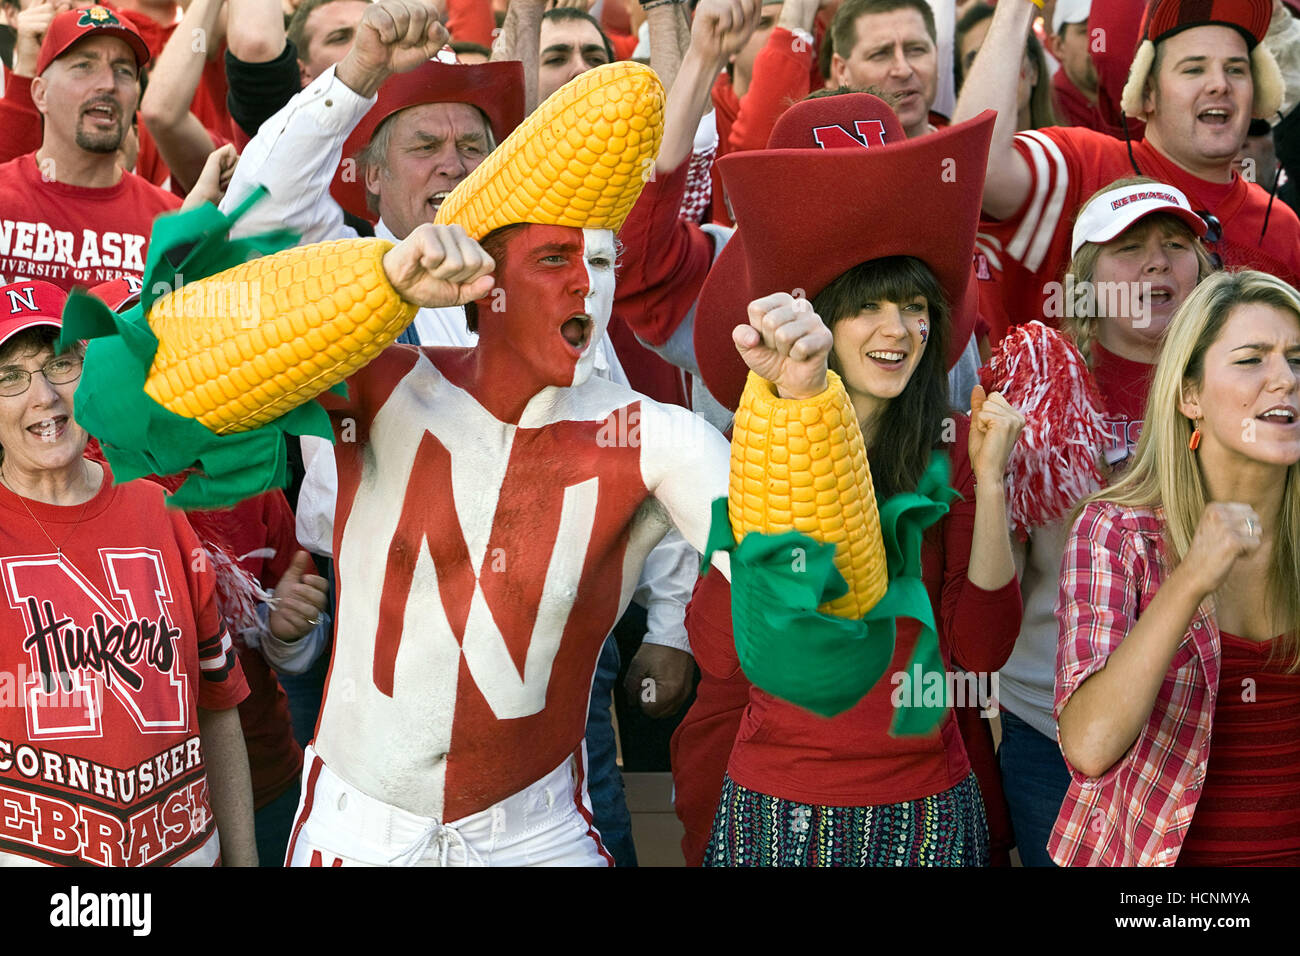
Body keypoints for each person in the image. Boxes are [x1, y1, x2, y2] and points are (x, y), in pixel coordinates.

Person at [73, 51, 879, 865]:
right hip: (356, 829)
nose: (585, 290)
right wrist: (376, 281)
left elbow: (820, 614)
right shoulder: (381, 382)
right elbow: (134, 396)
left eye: (601, 263)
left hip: (538, 835)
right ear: (486, 277)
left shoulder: (654, 436)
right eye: (557, 260)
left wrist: (806, 407)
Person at [668, 90, 1023, 867]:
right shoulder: (752, 441)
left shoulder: (956, 450)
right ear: (818, 321)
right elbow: (723, 654)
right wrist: (782, 439)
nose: (900, 331)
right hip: (777, 805)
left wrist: (992, 485)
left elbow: (982, 652)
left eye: (916, 306)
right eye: (868, 309)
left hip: (929, 807)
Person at [995, 177, 1213, 867]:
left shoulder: (1247, 379)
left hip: (1207, 718)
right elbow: (997, 572)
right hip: (1056, 726)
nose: (1158, 261)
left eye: (1177, 245)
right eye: (1131, 247)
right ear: (1085, 282)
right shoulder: (1041, 388)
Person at [0, 279, 255, 866]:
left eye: (58, 363)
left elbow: (218, 708)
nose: (43, 396)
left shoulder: (156, 512)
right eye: (11, 376)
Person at [1054, 268, 1300, 866]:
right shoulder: (1117, 532)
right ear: (1190, 396)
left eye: (1297, 358)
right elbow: (1089, 746)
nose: (1286, 379)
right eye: (1251, 360)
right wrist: (1190, 579)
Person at [954, 0, 1300, 334]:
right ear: (1147, 92)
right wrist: (1018, 5)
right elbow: (975, 164)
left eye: (1235, 69)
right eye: (1194, 68)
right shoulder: (1086, 163)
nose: (1219, 84)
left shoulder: (1283, 228)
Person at [0, 6, 181, 291]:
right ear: (40, 94)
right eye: (84, 66)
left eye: (123, 71)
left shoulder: (171, 222)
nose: (108, 85)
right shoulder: (5, 202)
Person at [828, 0, 942, 138]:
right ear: (841, 71)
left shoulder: (968, 151)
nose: (904, 71)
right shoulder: (824, 159)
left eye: (916, 50)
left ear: (936, 56)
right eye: (880, 54)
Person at [955, 1, 1055, 131]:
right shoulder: (946, 151)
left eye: (1006, 53)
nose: (993, 69)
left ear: (1034, 71)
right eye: (975, 62)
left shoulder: (1070, 147)